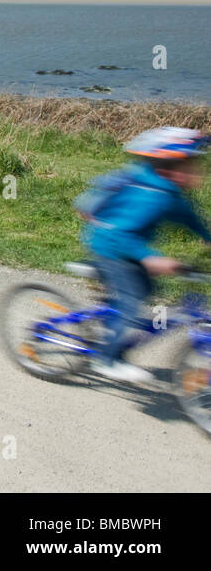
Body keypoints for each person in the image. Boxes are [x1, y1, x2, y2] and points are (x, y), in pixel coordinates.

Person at [75, 126, 211, 382]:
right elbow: (121, 234)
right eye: (191, 166)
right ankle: (106, 359)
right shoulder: (150, 195)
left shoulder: (171, 193)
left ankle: (111, 325)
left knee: (146, 291)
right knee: (131, 302)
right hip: (111, 247)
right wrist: (149, 257)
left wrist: (207, 236)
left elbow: (190, 217)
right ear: (168, 168)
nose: (198, 172)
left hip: (128, 249)